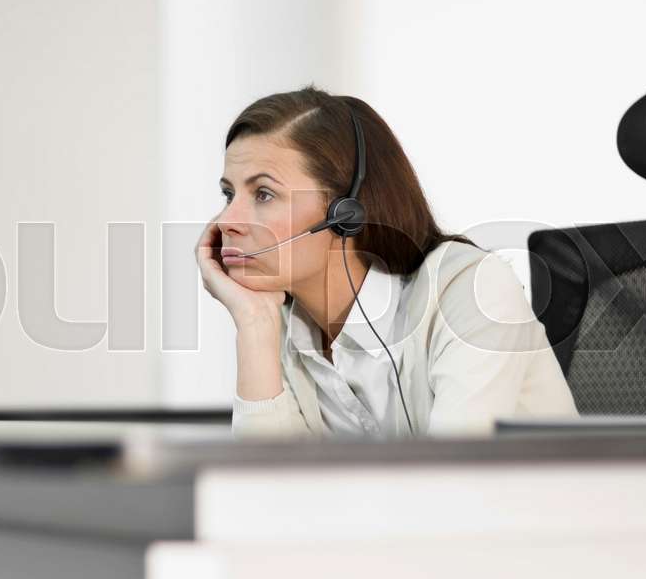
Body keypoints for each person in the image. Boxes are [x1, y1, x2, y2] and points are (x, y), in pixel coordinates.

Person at [195, 86, 578, 438]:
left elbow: (455, 489)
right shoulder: (278, 324)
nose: (227, 220)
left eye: (263, 193)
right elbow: (262, 495)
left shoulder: (473, 291)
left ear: (344, 212)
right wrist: (254, 324)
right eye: (229, 194)